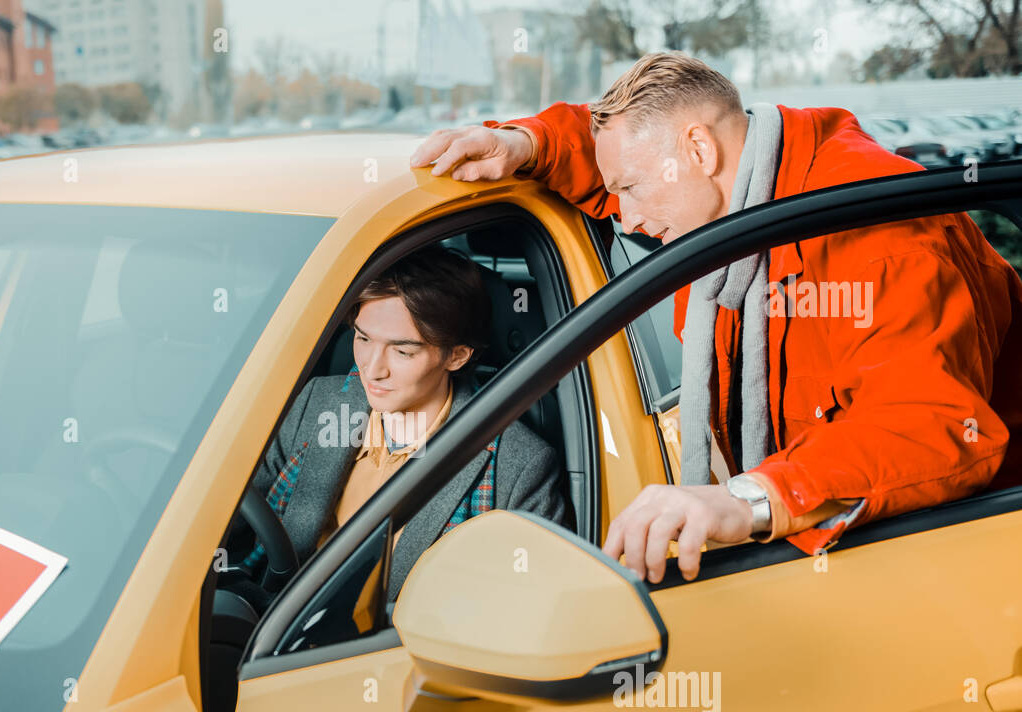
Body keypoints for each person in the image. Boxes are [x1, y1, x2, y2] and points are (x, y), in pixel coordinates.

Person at [411, 51, 1022, 584]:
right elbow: (616, 151)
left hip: (951, 553)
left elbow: (926, 425)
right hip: (836, 544)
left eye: (629, 189)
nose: (623, 216)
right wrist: (529, 143)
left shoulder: (872, 236)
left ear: (699, 149)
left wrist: (746, 500)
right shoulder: (732, 181)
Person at [245, 245, 567, 600]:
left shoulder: (519, 466)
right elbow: (236, 520)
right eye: (363, 338)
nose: (372, 369)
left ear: (457, 356)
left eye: (402, 351)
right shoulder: (317, 401)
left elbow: (528, 604)